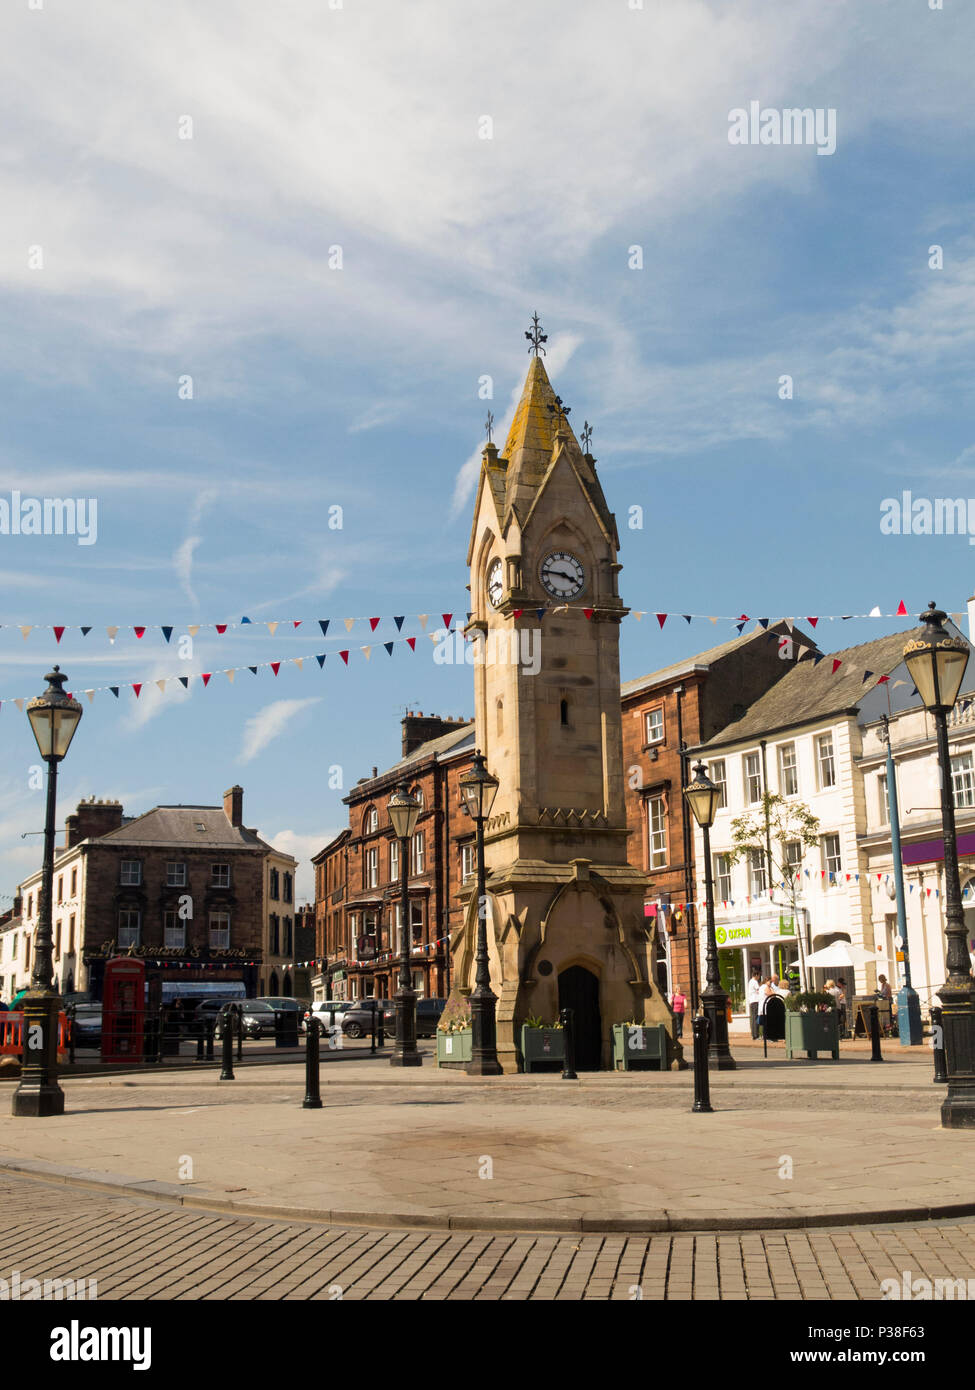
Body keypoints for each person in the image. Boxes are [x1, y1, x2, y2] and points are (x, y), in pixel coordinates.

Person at [746, 969, 762, 1039]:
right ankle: (756, 1035)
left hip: (751, 1001)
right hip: (755, 1001)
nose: (759, 977)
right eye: (758, 976)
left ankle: (753, 1034)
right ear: (756, 975)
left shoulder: (750, 981)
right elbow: (759, 990)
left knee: (753, 1018)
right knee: (755, 1018)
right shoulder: (755, 982)